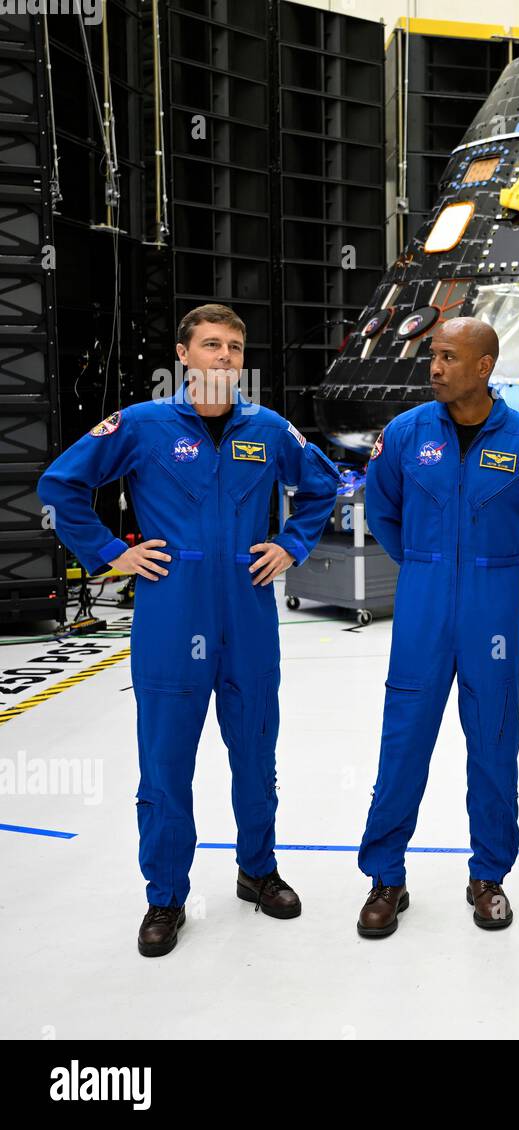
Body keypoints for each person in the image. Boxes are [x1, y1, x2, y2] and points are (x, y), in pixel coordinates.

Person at [37, 303, 340, 957]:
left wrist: (290, 542)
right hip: (172, 612)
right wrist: (112, 552)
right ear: (184, 356)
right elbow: (60, 483)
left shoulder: (269, 428)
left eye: (234, 346)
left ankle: (257, 870)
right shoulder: (142, 426)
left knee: (256, 751)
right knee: (166, 762)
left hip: (249, 610)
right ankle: (166, 896)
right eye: (211, 345)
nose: (225, 357)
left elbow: (322, 488)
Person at [355, 317, 519, 937]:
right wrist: (425, 564)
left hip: (493, 599)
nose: (436, 367)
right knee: (404, 741)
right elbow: (383, 510)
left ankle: (489, 875)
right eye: (433, 356)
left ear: (484, 366)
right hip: (421, 599)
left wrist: (491, 568)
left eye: (449, 357)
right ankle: (386, 878)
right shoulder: (404, 433)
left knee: (495, 740)